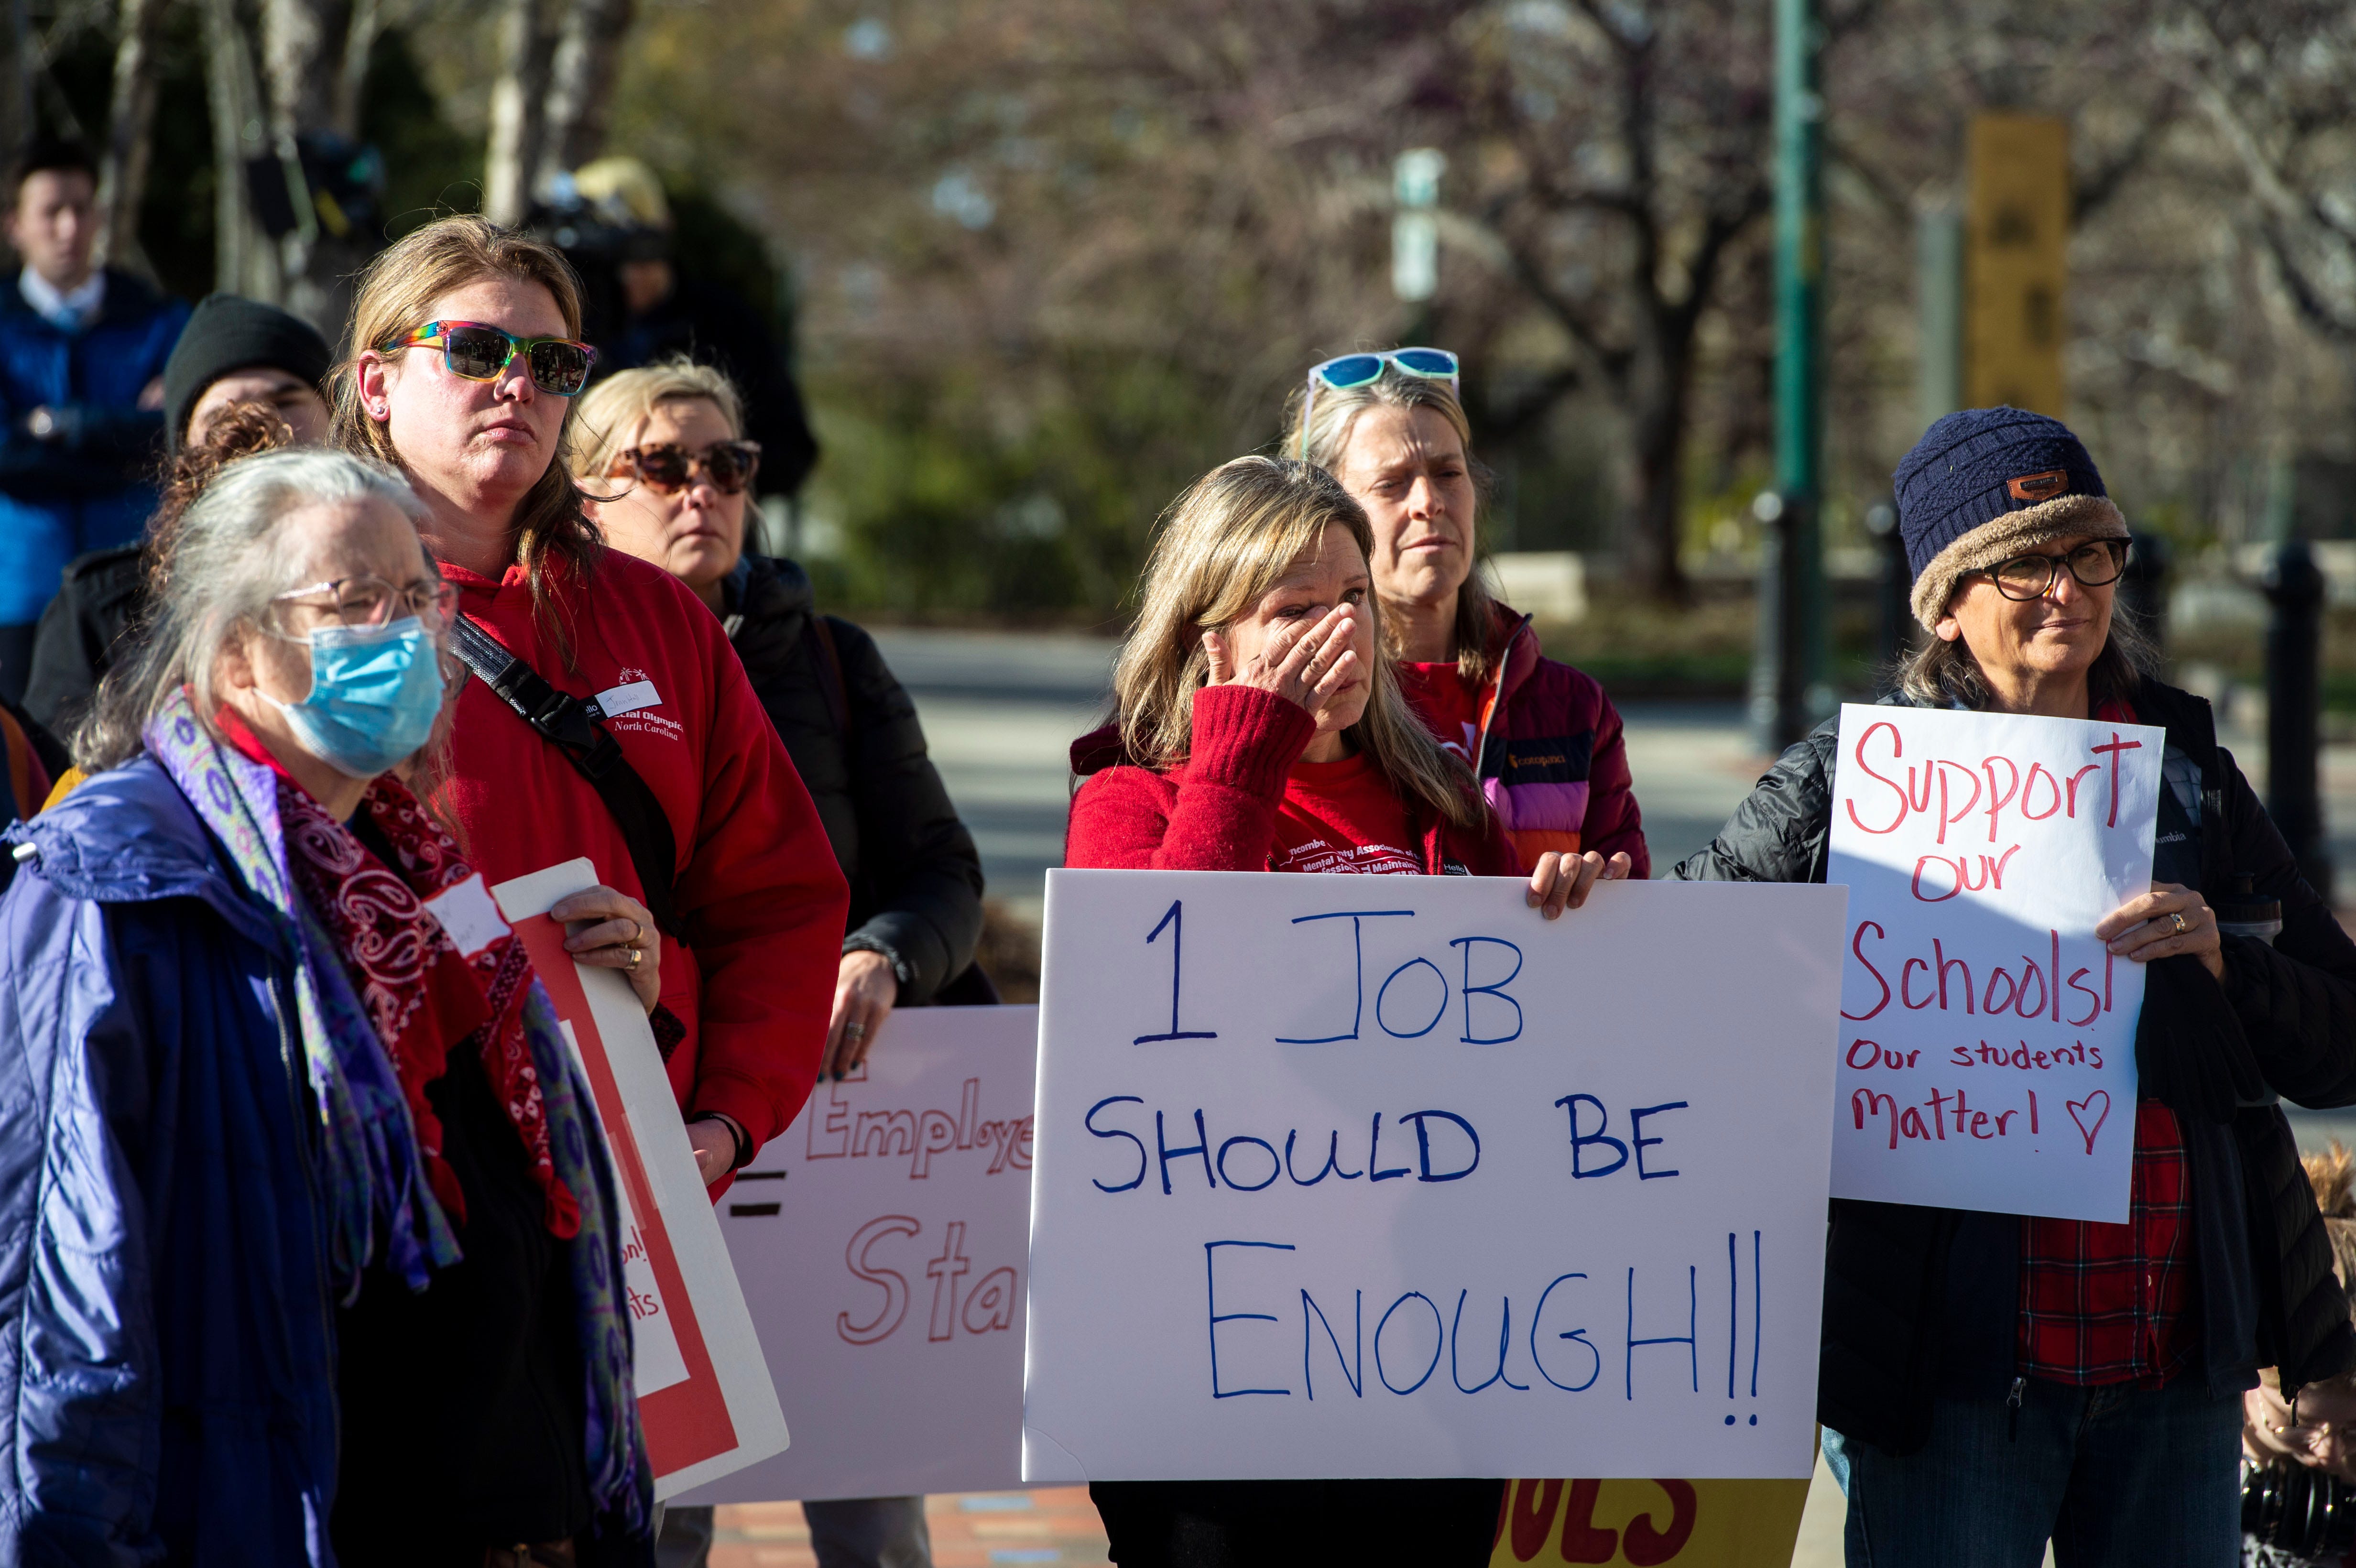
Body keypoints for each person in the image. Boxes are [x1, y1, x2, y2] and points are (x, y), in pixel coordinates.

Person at [1674, 406, 2356, 1566]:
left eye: (2091, 553)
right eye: (2026, 561)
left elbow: (2339, 1039)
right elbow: (1683, 956)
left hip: (2175, 1366)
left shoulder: (2185, 774)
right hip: (1953, 1379)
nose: (2069, 588)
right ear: (1947, 603)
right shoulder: (1860, 781)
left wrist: (2224, 963)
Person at [0, 447, 650, 1563]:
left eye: (417, 597)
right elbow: (65, 1290)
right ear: (238, 649)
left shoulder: (420, 867)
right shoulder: (121, 883)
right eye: (354, 603)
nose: (404, 634)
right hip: (300, 1513)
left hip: (508, 1512)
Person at [1064, 455, 1625, 1568]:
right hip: (1216, 1373)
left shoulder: (1444, 805)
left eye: (1353, 599)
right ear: (1211, 640)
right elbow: (1161, 1009)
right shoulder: (1131, 802)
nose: (1340, 631)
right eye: (1294, 609)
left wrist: (1574, 928)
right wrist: (1249, 747)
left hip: (1425, 1360)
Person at [333, 213, 849, 1192]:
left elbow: (779, 900)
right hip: (392, 1172)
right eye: (478, 351)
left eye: (552, 362)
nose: (517, 385)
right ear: (377, 384)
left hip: (629, 1177)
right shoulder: (309, 615)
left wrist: (729, 1118)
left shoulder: (661, 619)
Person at [576, 360, 988, 1568]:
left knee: (873, 1518)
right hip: (654, 1128)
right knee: (660, 1510)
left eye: (728, 466)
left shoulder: (834, 660)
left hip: (839, 1135)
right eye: (663, 465)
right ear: (589, 492)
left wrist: (887, 954)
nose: (700, 489)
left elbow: (944, 873)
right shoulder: (556, 660)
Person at [1281, 348, 1647, 874]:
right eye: (1391, 483)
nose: (1428, 501)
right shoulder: (1306, 704)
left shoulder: (1575, 710)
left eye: (1448, 473)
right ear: (1325, 515)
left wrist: (1598, 890)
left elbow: (1635, 921)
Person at [22, 293, 333, 731]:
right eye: (222, 416)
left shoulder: (402, 583)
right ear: (184, 450)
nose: (258, 428)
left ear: (335, 416)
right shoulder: (102, 613)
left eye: (283, 403)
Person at [0, 134, 189, 698]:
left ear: (100, 216)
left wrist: (62, 426)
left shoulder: (157, 319)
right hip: (21, 593)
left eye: (81, 210)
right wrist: (124, 449)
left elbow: (180, 433)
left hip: (135, 582)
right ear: (15, 225)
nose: (68, 228)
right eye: (50, 212)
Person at [559, 157, 819, 499]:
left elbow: (790, 452)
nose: (624, 274)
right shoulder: (566, 326)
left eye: (637, 251)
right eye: (600, 258)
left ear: (664, 236)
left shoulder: (726, 323)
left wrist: (706, 474)